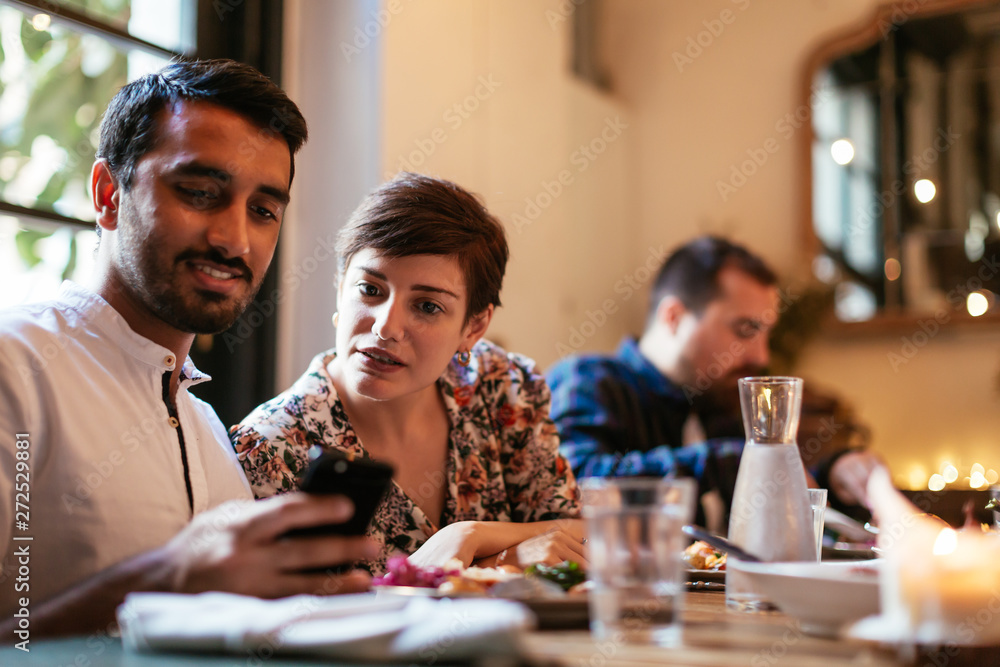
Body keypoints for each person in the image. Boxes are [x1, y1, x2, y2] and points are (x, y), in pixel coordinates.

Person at [0, 59, 377, 639]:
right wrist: (168, 578)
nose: (235, 239)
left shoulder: (205, 428)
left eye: (264, 210)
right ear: (107, 194)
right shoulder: (15, 369)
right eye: (200, 192)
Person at [232, 173, 584, 575]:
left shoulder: (504, 387)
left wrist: (470, 537)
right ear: (339, 288)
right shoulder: (271, 447)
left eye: (427, 306)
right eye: (370, 290)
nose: (386, 327)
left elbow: (584, 535)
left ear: (473, 327)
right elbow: (293, 617)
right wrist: (497, 557)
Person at [546, 236, 882, 529]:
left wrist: (836, 474)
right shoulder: (588, 380)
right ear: (674, 317)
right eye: (745, 330)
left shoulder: (718, 398)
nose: (760, 356)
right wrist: (731, 461)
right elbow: (574, 488)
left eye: (766, 333)